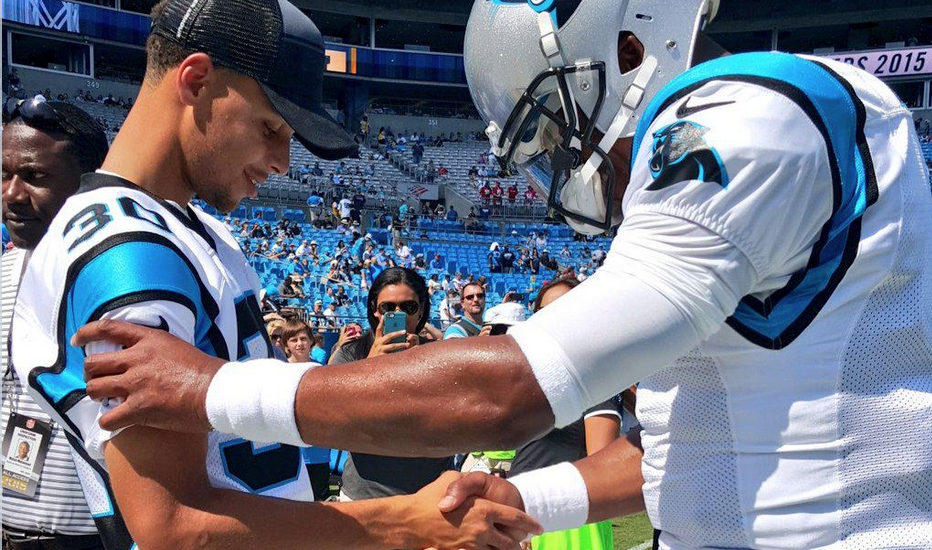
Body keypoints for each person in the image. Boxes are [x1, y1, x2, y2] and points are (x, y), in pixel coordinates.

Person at [67, 0, 932, 548]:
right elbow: (677, 450)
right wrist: (518, 497)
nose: (556, 162)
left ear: (630, 45)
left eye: (550, 124)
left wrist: (214, 389)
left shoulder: (753, 109)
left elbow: (509, 393)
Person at [12, 1, 536, 549]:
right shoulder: (128, 252)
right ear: (195, 80)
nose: (283, 160)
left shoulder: (192, 229)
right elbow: (173, 525)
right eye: (270, 127)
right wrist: (404, 522)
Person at [2, 99, 110, 549]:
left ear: (86, 184)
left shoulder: (115, 281)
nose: (12, 193)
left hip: (88, 538)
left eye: (35, 176)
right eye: (4, 174)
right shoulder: (4, 273)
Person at [510, 278, 622, 550]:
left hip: (565, 522)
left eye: (564, 308)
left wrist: (534, 513)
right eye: (544, 311)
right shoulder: (534, 378)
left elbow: (601, 470)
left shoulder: (593, 377)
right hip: (522, 512)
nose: (553, 318)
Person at [330, 268, 454, 501]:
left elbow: (454, 414)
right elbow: (333, 415)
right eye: (388, 307)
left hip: (431, 495)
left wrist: (424, 364)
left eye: (409, 307)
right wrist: (370, 366)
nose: (399, 314)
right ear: (375, 311)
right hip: (365, 496)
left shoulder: (442, 356)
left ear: (421, 310)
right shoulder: (351, 354)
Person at [280, 319, 331, 500]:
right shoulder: (278, 371)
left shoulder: (321, 371)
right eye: (293, 340)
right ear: (286, 345)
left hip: (316, 451)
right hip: (288, 449)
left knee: (317, 502)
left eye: (303, 339)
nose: (299, 344)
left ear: (311, 342)